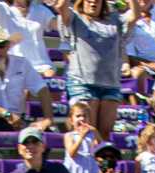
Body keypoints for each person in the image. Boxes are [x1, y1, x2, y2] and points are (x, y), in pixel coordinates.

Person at [53, 0, 135, 142]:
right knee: (86, 133)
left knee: (104, 135)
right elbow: (61, 6)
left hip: (110, 84)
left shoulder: (114, 18)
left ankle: (99, 164)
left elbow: (135, 15)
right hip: (82, 82)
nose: (93, 2)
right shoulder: (75, 17)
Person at [0, 27, 54, 159]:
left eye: (0, 45)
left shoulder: (22, 64)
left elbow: (42, 89)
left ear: (8, 46)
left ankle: (38, 170)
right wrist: (5, 113)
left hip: (19, 120)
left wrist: (48, 119)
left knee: (46, 134)